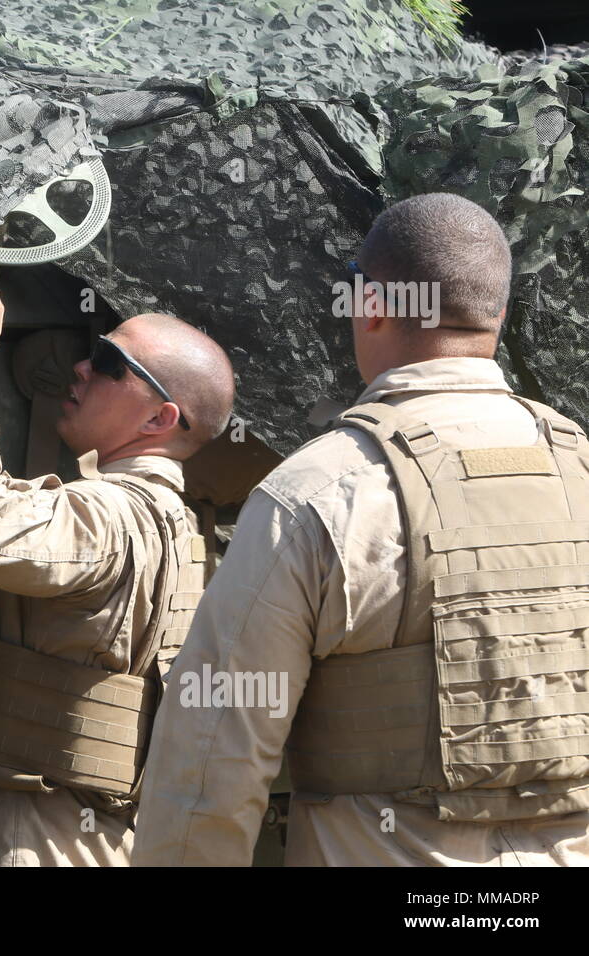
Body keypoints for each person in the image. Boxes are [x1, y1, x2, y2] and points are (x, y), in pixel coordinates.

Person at [134, 192, 589, 866]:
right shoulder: (579, 467)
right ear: (497, 311)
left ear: (370, 306)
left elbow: (210, 767)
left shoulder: (317, 495)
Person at [0, 289, 235, 866]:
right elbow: (80, 667)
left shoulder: (111, 516)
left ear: (159, 417)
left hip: (43, 839)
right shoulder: (180, 528)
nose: (80, 367)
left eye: (107, 364)